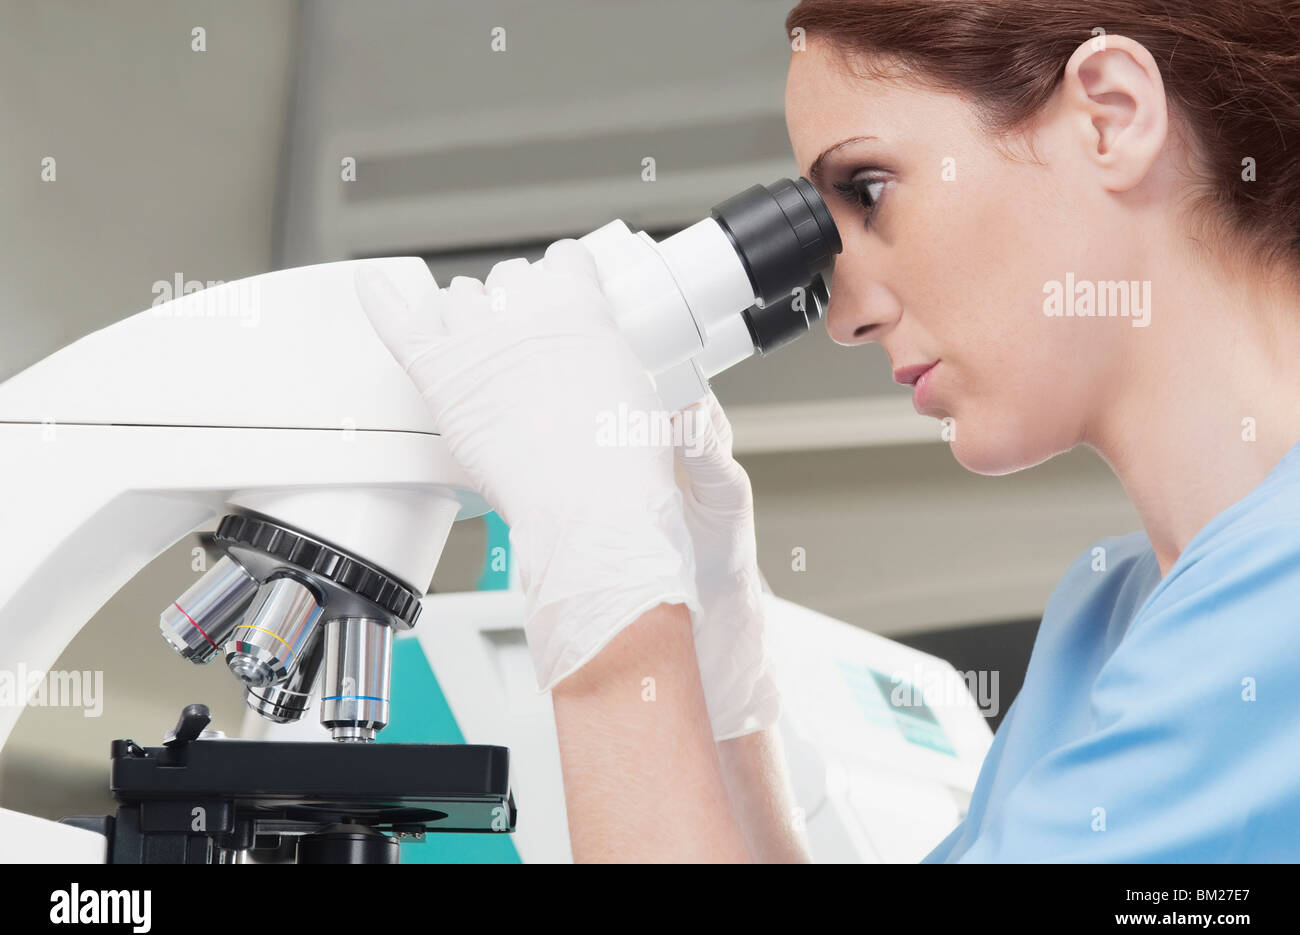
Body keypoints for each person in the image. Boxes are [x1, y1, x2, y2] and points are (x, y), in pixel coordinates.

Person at [356, 0, 1300, 862]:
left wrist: (606, 610)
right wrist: (721, 685)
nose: (842, 312)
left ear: (1111, 115)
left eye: (871, 189)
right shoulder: (1106, 618)